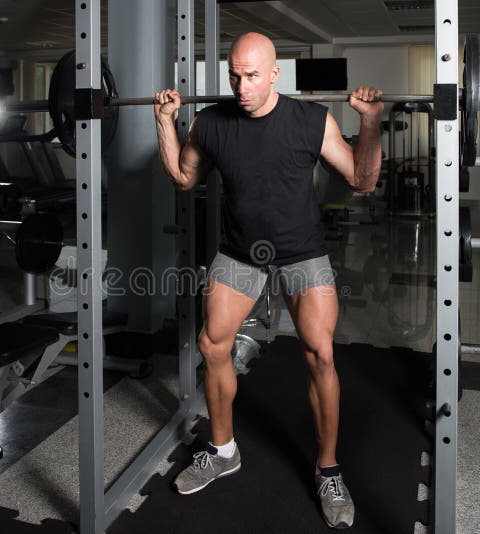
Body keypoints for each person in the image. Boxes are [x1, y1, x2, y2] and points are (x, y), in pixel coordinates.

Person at [153, 31, 382, 529]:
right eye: (234, 75)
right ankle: (222, 449)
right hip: (241, 255)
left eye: (252, 76)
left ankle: (328, 469)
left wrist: (370, 123)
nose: (241, 86)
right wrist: (164, 121)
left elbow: (362, 180)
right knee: (212, 344)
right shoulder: (212, 123)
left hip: (303, 254)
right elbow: (183, 177)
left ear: (275, 74)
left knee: (321, 353)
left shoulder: (310, 120)